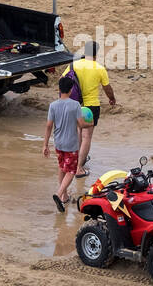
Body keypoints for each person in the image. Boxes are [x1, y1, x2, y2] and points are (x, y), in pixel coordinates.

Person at [70, 42, 116, 177]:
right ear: (97, 53)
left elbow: (63, 81)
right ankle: (79, 168)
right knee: (86, 137)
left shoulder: (74, 65)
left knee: (78, 133)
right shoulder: (99, 68)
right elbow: (107, 87)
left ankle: (74, 163)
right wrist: (112, 98)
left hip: (75, 105)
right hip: (90, 107)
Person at [42, 75, 85, 212]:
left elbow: (49, 126)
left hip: (58, 143)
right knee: (71, 171)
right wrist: (89, 123)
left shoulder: (53, 105)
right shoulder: (75, 105)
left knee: (62, 167)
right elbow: (81, 124)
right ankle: (59, 193)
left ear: (59, 89)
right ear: (71, 90)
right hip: (71, 144)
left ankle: (64, 196)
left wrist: (45, 145)